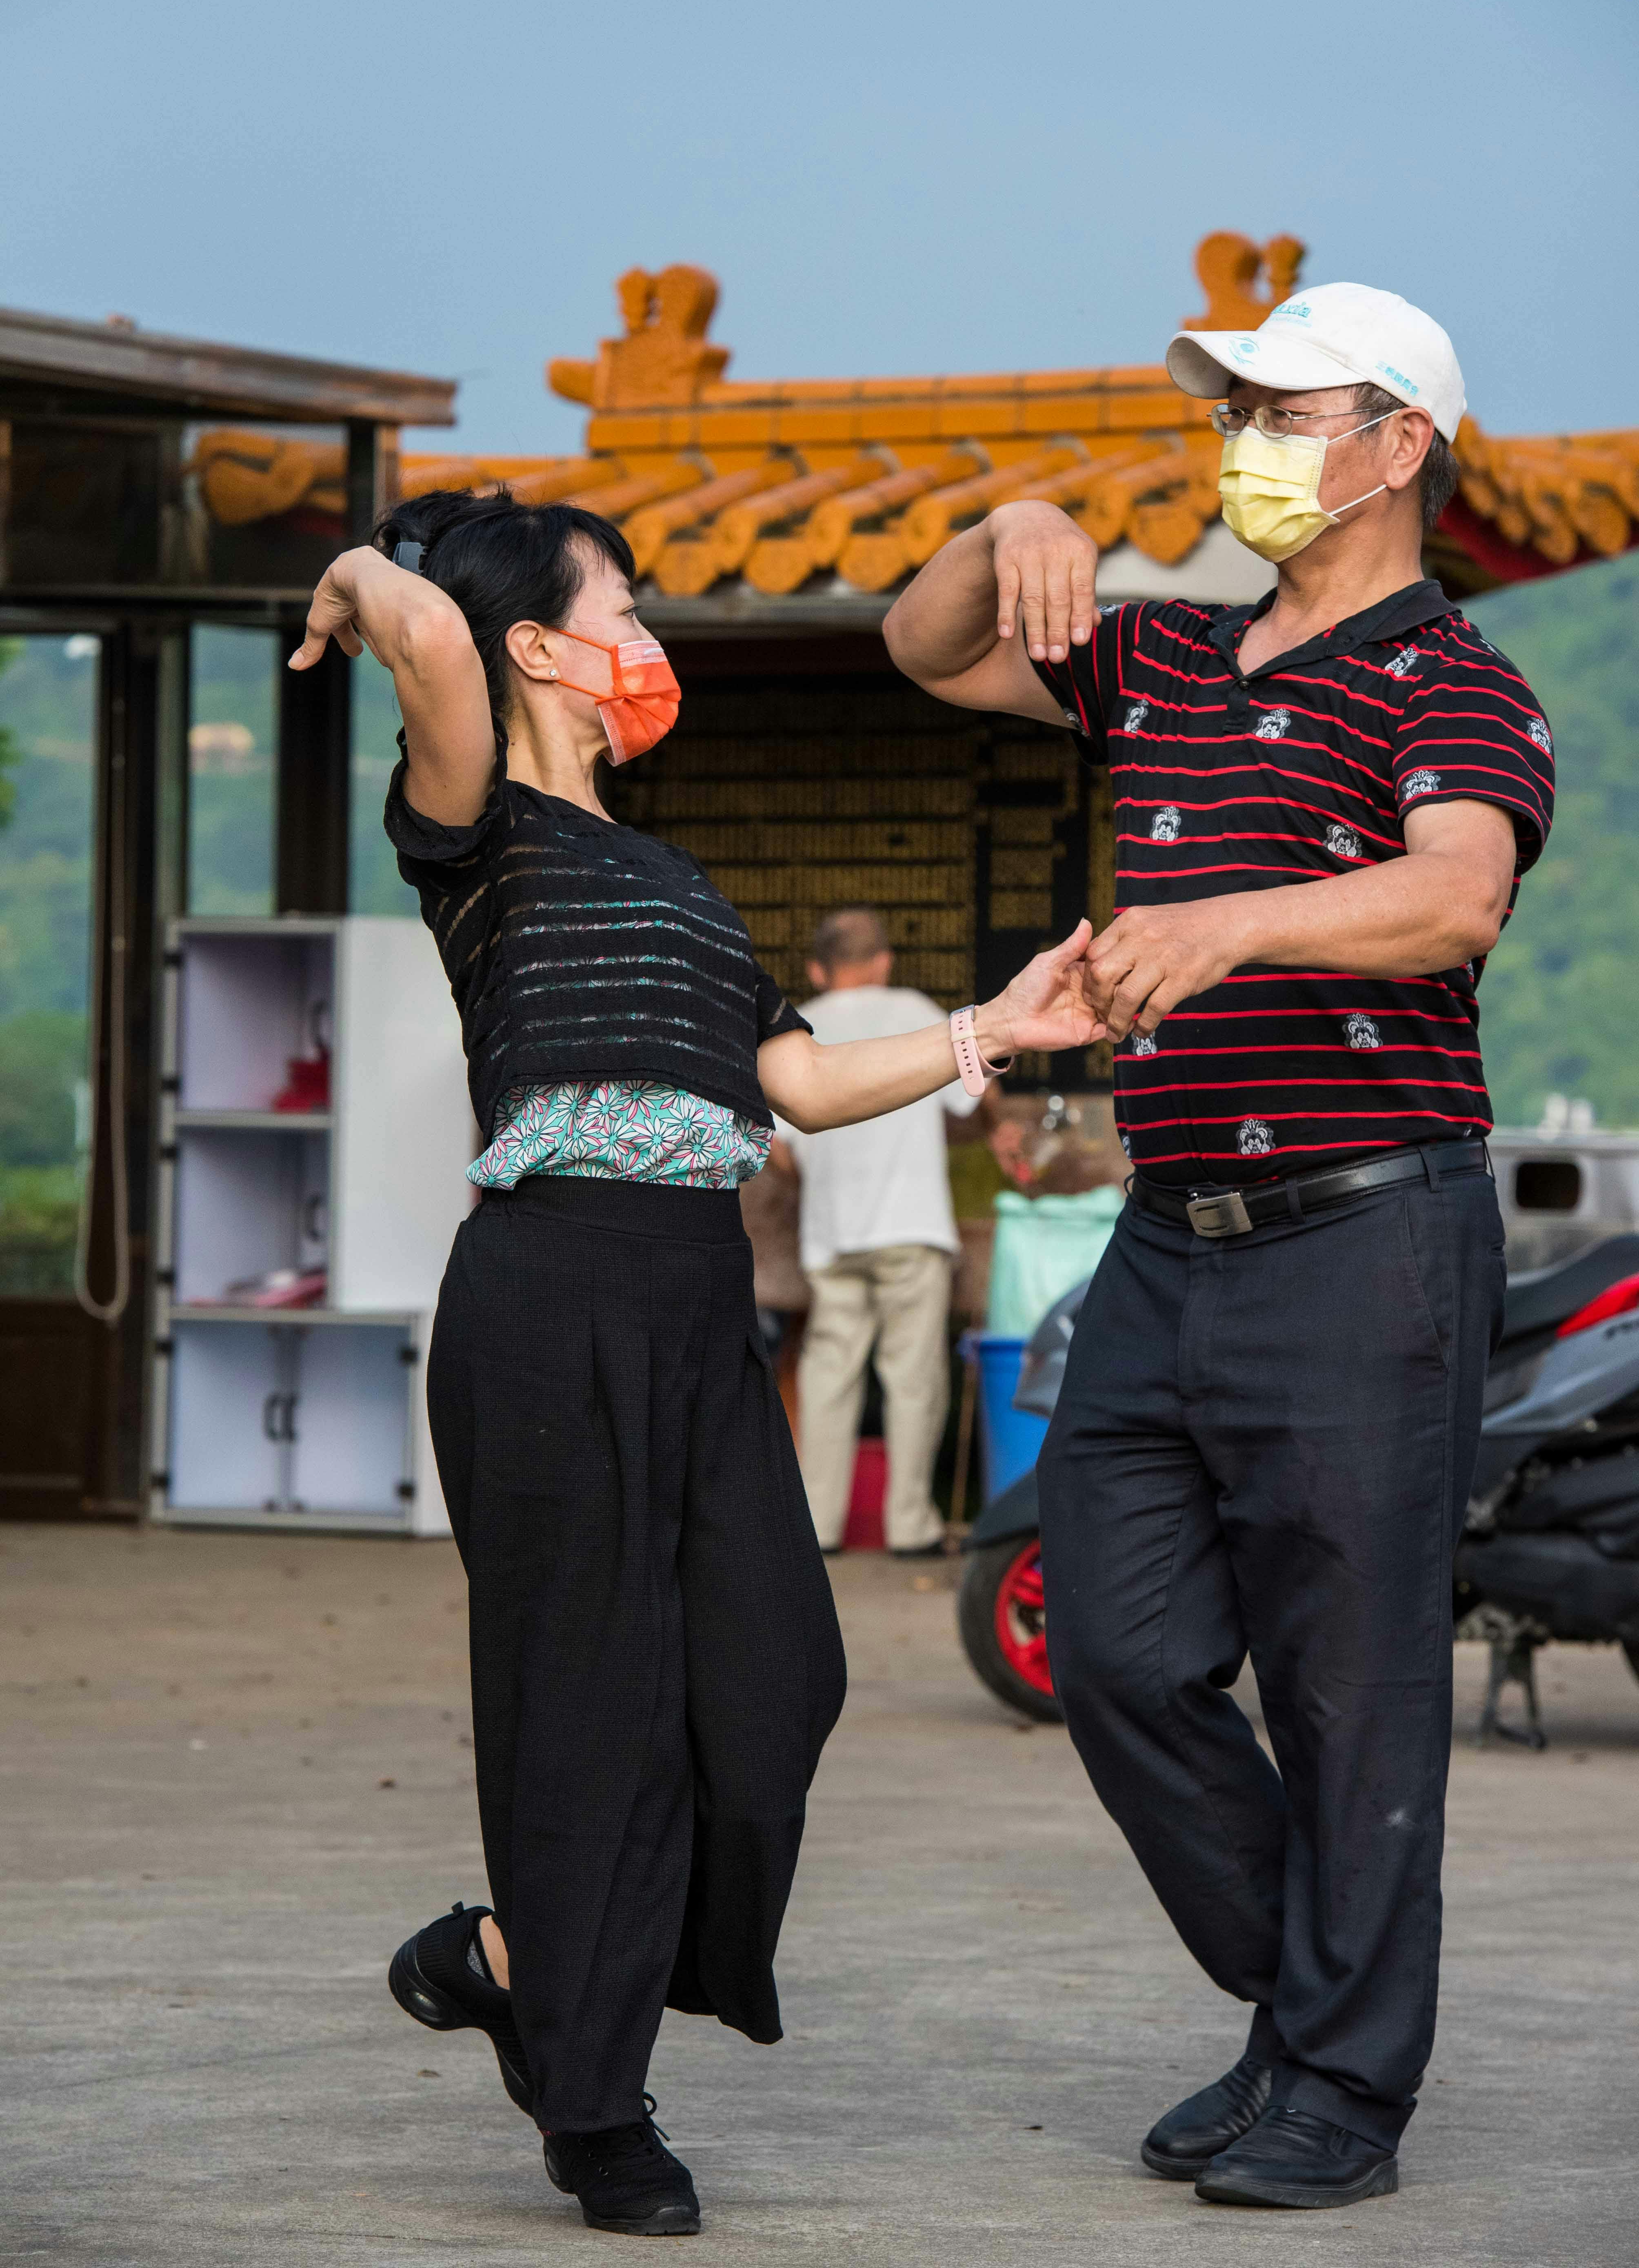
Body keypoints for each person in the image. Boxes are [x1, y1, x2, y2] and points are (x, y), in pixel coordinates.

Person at [290, 489, 1104, 2238]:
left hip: (692, 1300)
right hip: (547, 1288)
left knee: (770, 1679)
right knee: (585, 1712)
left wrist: (990, 1028)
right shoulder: (473, 827)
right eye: (627, 607)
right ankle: (596, 2107)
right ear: (535, 647)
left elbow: (790, 1084)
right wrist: (358, 574)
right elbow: (426, 636)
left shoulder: (672, 876)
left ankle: (519, 1958)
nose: (648, 637)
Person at [882, 282, 1554, 2211]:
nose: (1242, 432)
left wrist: (1235, 923)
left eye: (1283, 402)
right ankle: (1303, 2003)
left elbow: (1452, 895)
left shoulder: (1447, 679)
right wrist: (991, 538)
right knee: (1109, 1645)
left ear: (1396, 444)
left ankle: (1337, 2080)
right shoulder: (1164, 652)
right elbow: (919, 650)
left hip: (1365, 1236)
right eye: (1231, 403)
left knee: (1348, 1689)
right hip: (1169, 1236)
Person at [773, 907, 979, 1558]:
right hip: (911, 1226)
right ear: (885, 963)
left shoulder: (797, 1028)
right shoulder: (917, 1008)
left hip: (833, 1231)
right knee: (913, 1378)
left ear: (816, 969)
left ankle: (820, 1526)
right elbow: (968, 1103)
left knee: (830, 1377)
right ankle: (910, 1526)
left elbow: (777, 1150)